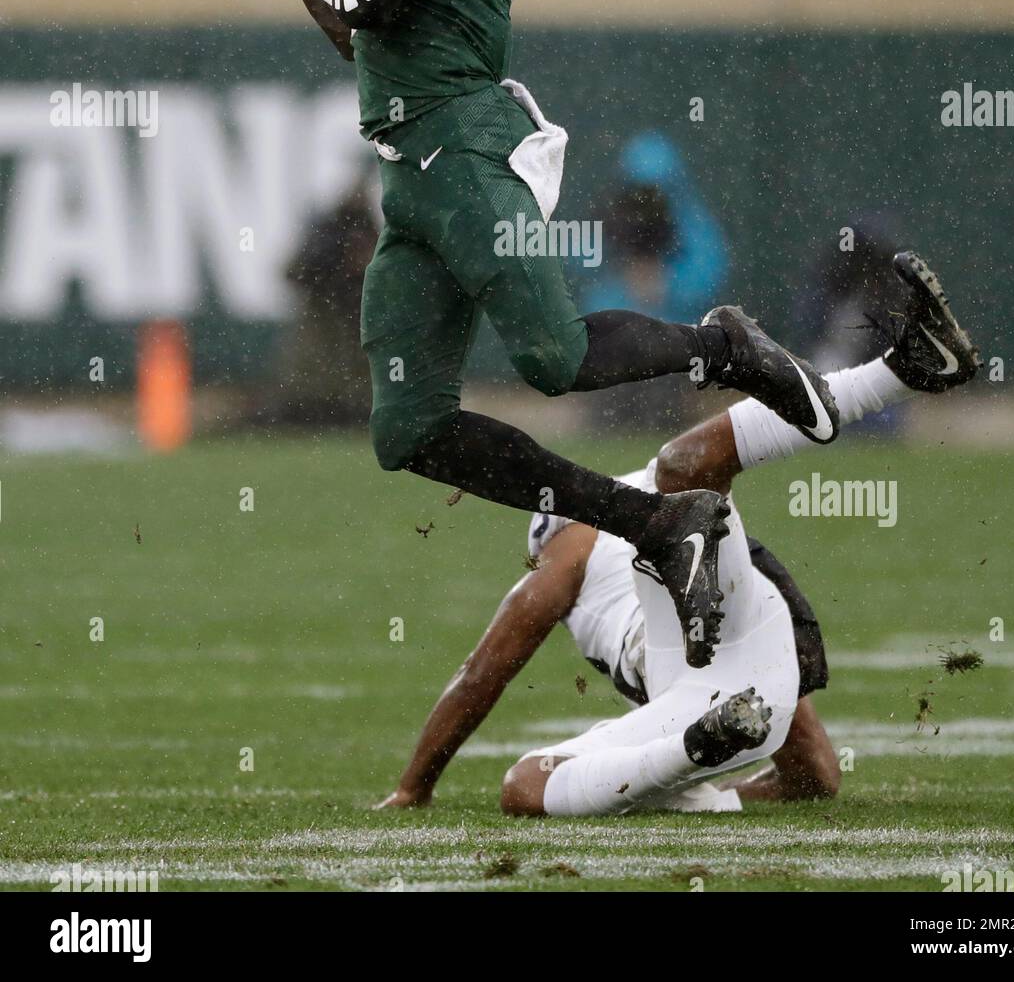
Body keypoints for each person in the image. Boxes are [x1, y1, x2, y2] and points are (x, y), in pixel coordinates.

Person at [227, 0, 840, 670]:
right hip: (413, 162)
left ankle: (719, 347)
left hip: (461, 141)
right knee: (411, 427)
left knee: (551, 357)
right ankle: (655, 521)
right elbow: (354, 26)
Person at [377, 251, 980, 815]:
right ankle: (900, 372)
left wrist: (415, 786)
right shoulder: (629, 518)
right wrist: (729, 799)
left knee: (523, 787)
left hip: (699, 665)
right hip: (759, 650)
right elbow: (815, 776)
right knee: (681, 472)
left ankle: (691, 753)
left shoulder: (569, 543)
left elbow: (483, 671)